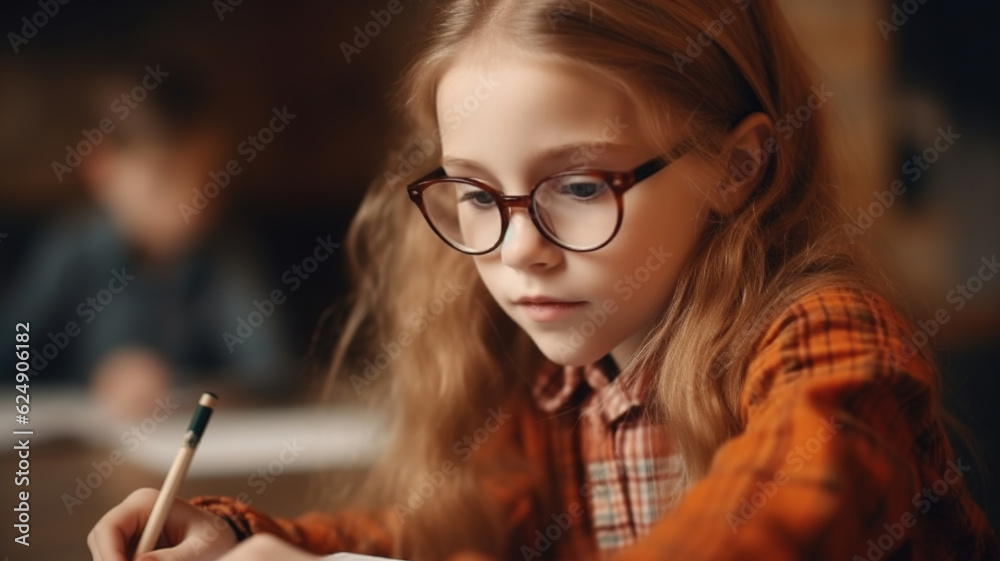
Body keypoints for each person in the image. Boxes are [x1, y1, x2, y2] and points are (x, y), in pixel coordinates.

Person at [87, 0, 1000, 560]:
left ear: (739, 166)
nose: (517, 249)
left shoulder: (831, 345)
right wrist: (246, 537)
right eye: (477, 194)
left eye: (575, 185)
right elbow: (445, 541)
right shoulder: (554, 387)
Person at [1, 62, 295, 419]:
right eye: (165, 177)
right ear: (101, 168)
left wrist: (180, 390)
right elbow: (12, 357)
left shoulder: (223, 251)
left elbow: (270, 369)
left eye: (211, 179)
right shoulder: (70, 250)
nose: (192, 203)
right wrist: (94, 384)